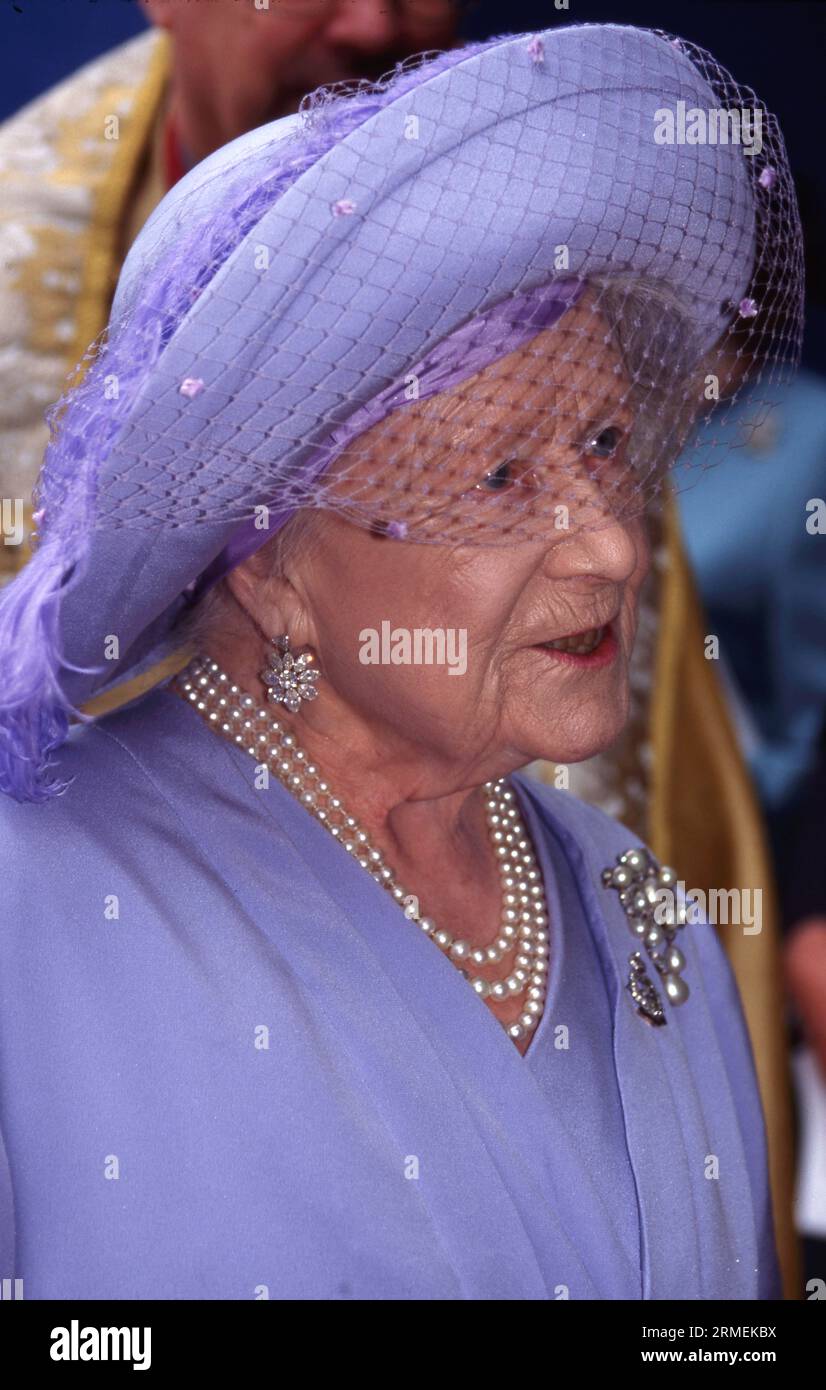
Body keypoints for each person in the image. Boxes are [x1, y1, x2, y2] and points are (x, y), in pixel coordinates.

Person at [0, 5, 801, 1289]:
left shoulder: (637, 904)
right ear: (266, 564)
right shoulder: (34, 912)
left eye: (605, 445)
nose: (609, 547)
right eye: (492, 474)